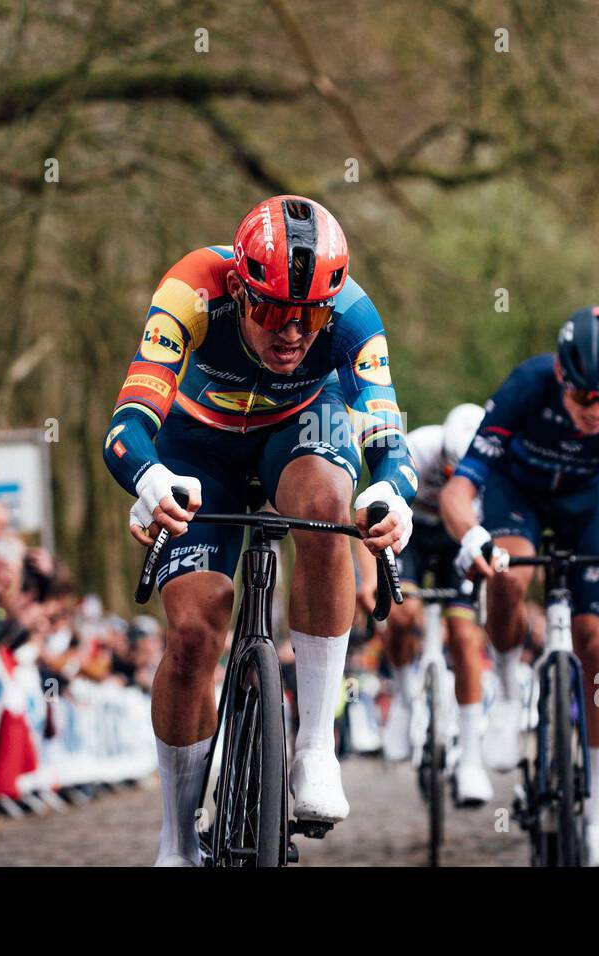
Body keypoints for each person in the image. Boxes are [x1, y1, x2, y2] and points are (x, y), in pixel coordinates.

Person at [102, 195, 417, 866]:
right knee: (193, 631)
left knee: (331, 506)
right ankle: (177, 839)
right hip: (197, 448)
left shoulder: (355, 315)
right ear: (241, 288)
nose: (293, 335)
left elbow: (387, 433)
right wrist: (150, 479)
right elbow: (126, 426)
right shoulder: (192, 287)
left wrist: (393, 489)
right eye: (273, 311)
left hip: (297, 432)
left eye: (309, 318)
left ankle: (313, 750)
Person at [439, 305, 599, 867]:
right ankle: (505, 688)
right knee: (508, 573)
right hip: (515, 496)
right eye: (585, 398)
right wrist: (471, 535)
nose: (598, 411)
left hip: (587, 506)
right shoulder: (527, 384)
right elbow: (460, 487)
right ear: (562, 378)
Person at [381, 403, 493, 804]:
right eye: (448, 469)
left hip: (455, 539)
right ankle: (403, 693)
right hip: (410, 530)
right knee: (401, 614)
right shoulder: (420, 446)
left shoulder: (489, 468)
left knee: (465, 636)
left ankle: (471, 759)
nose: (451, 478)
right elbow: (375, 512)